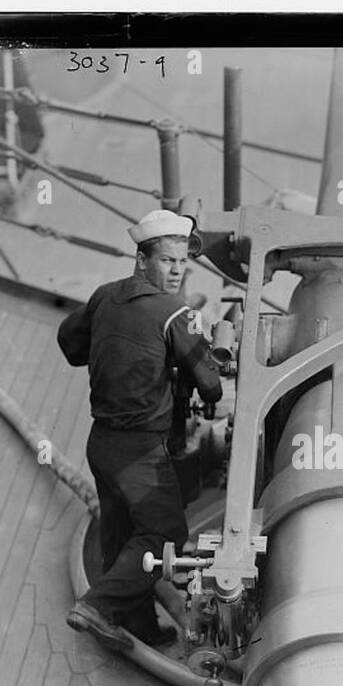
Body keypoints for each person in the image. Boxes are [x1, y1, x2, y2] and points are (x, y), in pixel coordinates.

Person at [57, 209, 223, 649]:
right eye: (167, 261)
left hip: (101, 443)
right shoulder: (175, 314)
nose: (176, 271)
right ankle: (96, 606)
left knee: (121, 535)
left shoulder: (104, 297)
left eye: (182, 263)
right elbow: (209, 387)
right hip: (141, 453)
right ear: (142, 260)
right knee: (165, 535)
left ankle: (135, 626)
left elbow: (69, 344)